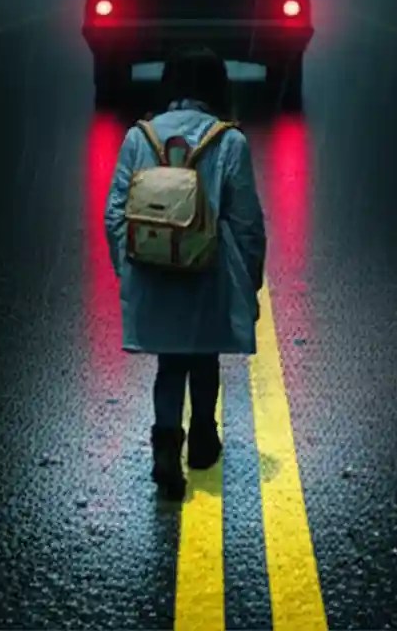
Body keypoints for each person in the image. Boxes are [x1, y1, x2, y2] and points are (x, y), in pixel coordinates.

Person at [103, 46, 267, 500]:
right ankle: (203, 438)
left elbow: (115, 211)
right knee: (204, 356)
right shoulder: (228, 141)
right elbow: (247, 222)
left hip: (155, 271)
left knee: (170, 363)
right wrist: (250, 279)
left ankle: (165, 446)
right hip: (208, 270)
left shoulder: (140, 137)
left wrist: (129, 270)